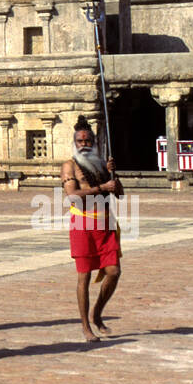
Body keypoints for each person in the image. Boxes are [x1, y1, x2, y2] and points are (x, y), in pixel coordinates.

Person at [61, 116, 123, 342]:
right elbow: (72, 195)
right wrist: (101, 187)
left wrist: (113, 176)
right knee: (84, 276)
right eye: (80, 141)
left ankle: (97, 313)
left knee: (114, 272)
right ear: (74, 143)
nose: (84, 145)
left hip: (105, 221)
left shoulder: (101, 164)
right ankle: (86, 326)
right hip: (83, 223)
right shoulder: (69, 166)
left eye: (88, 141)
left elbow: (119, 193)